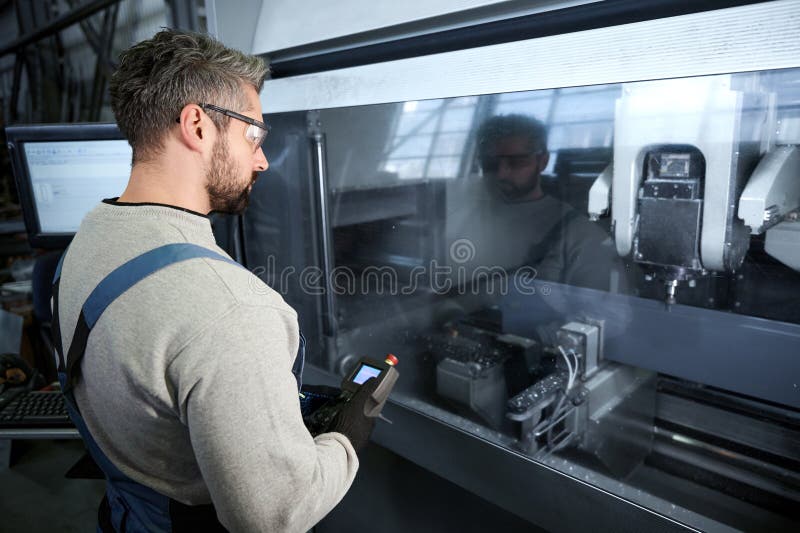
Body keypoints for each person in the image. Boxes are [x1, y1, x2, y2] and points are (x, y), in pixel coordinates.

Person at [54, 29, 378, 532]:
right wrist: (346, 437)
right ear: (197, 126)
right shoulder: (231, 310)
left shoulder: (90, 241)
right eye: (254, 134)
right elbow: (271, 516)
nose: (262, 159)